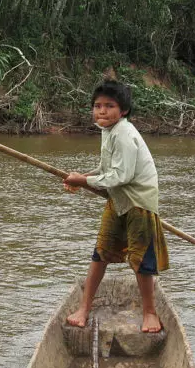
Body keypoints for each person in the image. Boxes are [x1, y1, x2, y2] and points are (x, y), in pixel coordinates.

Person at [63, 80, 169, 333]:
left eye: (109, 106)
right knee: (101, 252)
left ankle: (150, 313)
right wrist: (83, 179)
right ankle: (84, 308)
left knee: (141, 259)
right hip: (118, 199)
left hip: (139, 203)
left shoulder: (124, 133)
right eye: (97, 106)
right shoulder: (107, 131)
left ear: (123, 111)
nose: (102, 111)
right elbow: (106, 170)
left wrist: (84, 180)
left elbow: (121, 175)